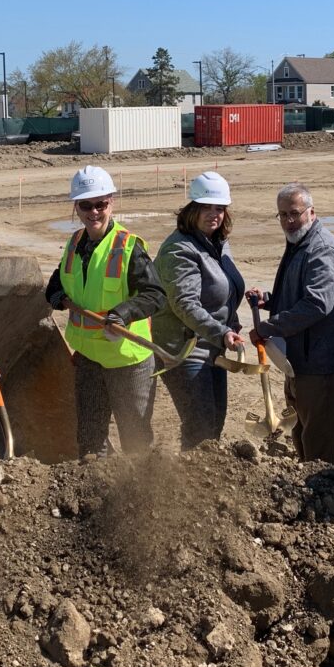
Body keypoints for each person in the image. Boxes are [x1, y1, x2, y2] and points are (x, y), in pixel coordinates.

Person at [46, 165, 167, 456]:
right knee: (90, 439)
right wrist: (59, 298)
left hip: (128, 360)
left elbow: (155, 295)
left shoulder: (129, 247)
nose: (94, 212)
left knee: (135, 438)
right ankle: (97, 493)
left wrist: (123, 313)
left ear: (111, 202)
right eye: (86, 205)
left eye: (100, 204)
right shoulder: (74, 244)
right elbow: (54, 284)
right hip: (88, 359)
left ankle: (140, 495)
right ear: (77, 207)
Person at [247, 183, 334, 464]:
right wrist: (268, 300)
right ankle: (306, 488)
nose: (288, 221)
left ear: (311, 212)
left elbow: (317, 304)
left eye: (294, 213)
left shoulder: (323, 250)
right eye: (282, 215)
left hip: (320, 360)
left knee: (318, 439)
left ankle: (325, 493)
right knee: (301, 429)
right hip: (298, 359)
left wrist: (268, 328)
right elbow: (300, 295)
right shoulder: (299, 244)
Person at [152, 171, 247, 448]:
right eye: (207, 207)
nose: (214, 214)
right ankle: (186, 489)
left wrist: (233, 323)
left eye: (219, 208)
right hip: (184, 351)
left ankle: (204, 484)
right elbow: (185, 304)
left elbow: (224, 291)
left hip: (212, 347)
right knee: (200, 429)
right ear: (192, 208)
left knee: (213, 426)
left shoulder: (217, 243)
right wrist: (222, 333)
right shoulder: (178, 250)